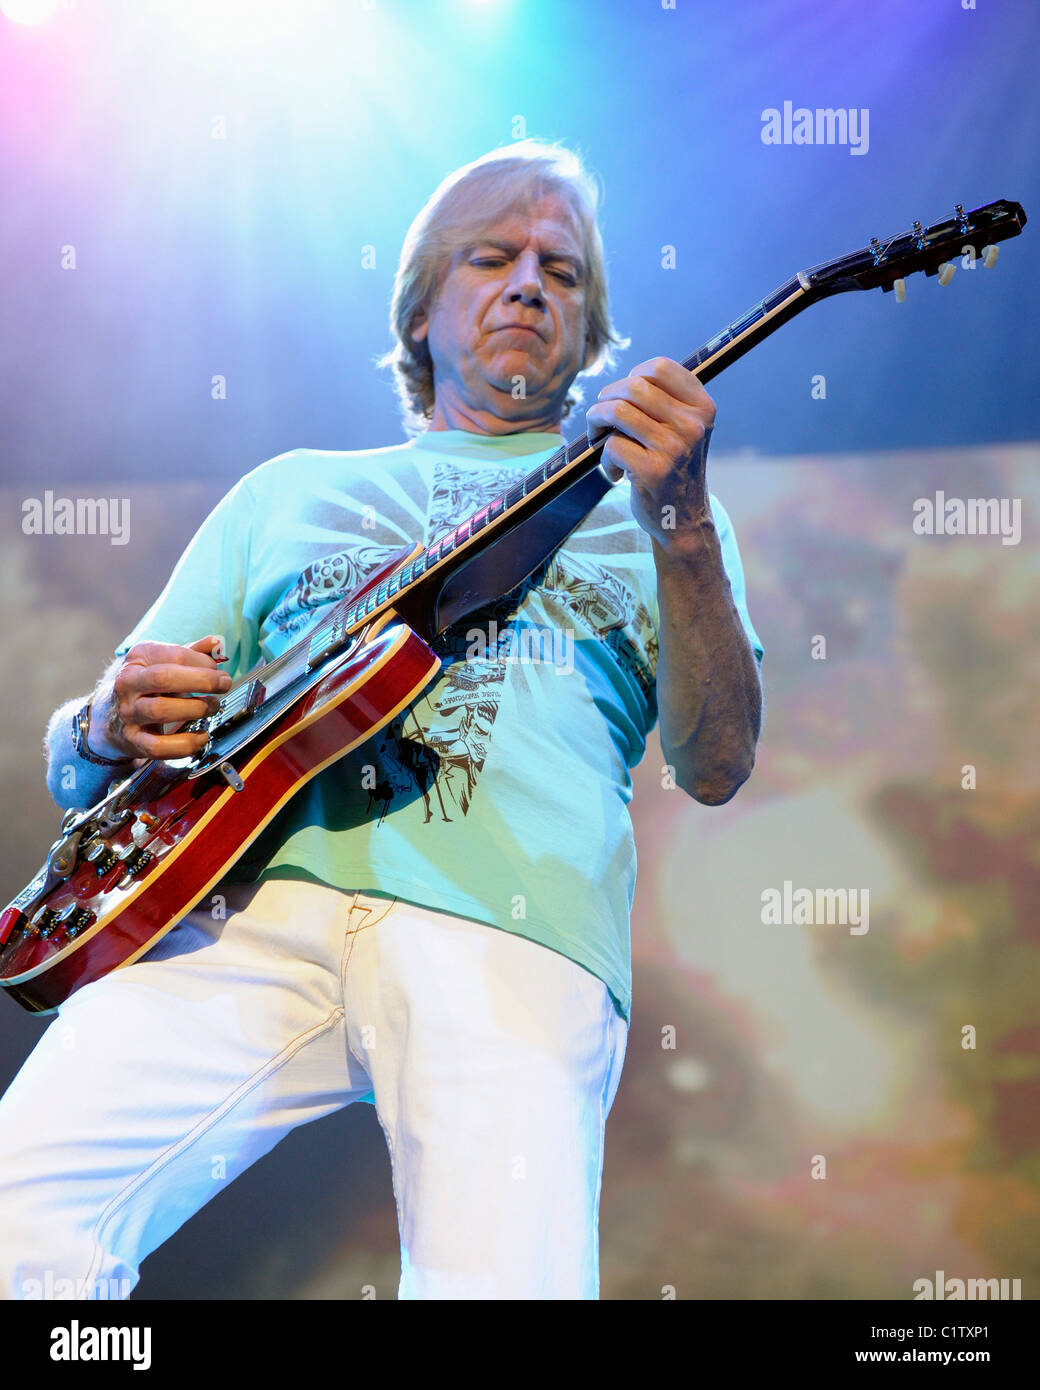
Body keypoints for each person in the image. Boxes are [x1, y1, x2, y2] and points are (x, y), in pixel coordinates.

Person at [0, 139, 763, 1300]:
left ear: (589, 329)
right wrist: (101, 719)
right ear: (420, 311)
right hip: (245, 906)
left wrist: (686, 525)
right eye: (491, 257)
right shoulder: (287, 489)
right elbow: (95, 755)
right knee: (19, 1222)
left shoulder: (657, 514)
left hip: (515, 929)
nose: (527, 285)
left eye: (563, 275)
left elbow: (715, 765)